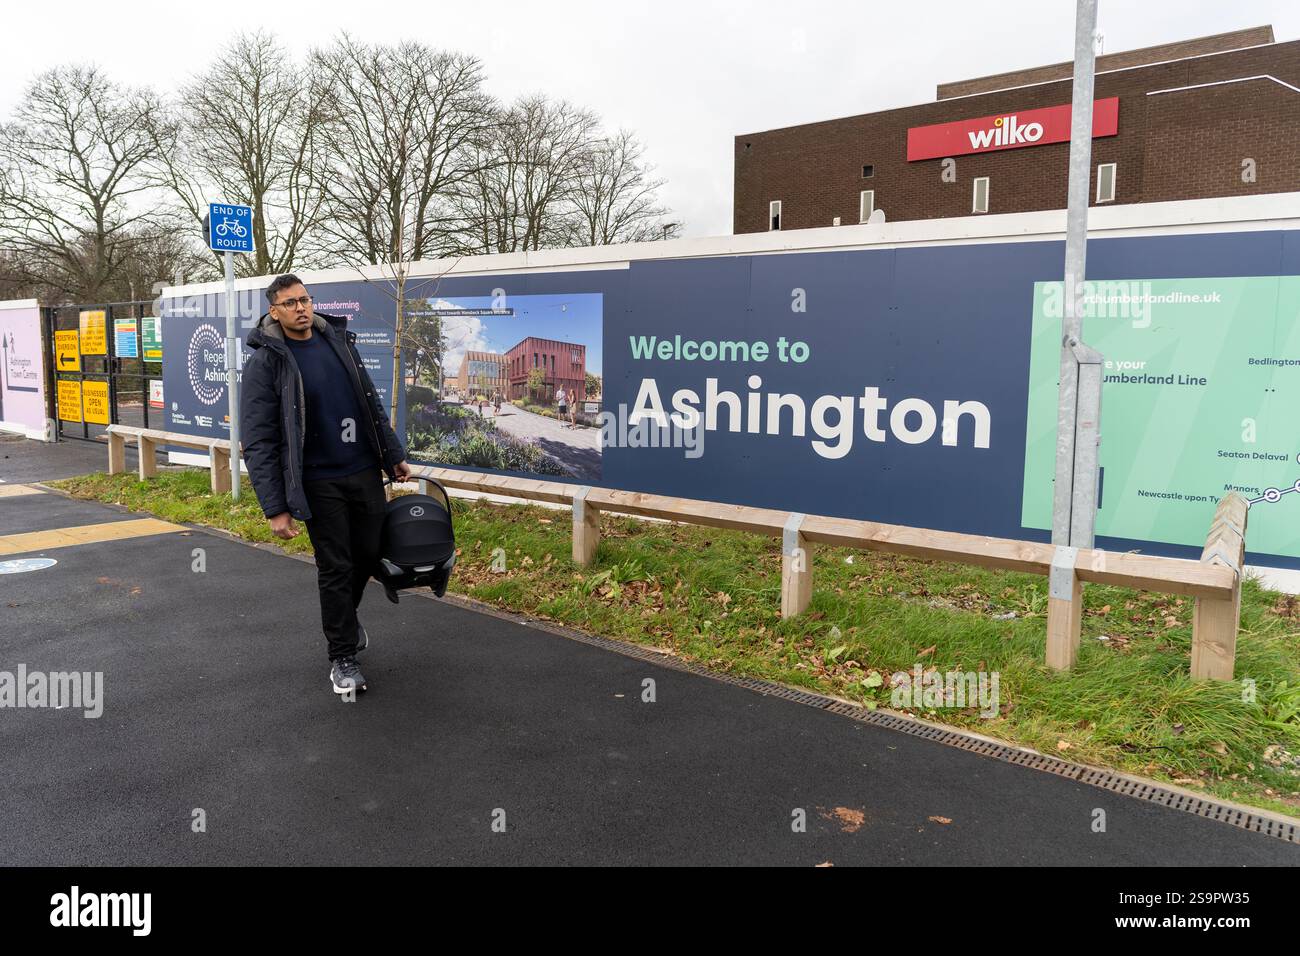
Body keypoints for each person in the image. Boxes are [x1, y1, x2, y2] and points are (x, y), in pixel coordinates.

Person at [240, 274, 411, 697]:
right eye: (290, 303)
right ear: (274, 311)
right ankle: (342, 657)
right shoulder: (267, 361)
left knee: (369, 555)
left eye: (305, 299)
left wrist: (392, 453)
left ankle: (346, 625)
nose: (301, 308)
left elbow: (368, 402)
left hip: (363, 470)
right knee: (336, 565)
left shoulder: (337, 341)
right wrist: (274, 506)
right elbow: (259, 439)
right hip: (317, 480)